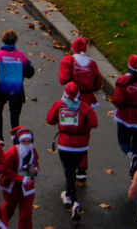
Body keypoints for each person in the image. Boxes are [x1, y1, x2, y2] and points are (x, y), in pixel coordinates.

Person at [47, 82, 98, 218]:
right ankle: (68, 195)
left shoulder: (59, 105)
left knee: (69, 172)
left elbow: (50, 120)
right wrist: (83, 126)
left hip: (65, 145)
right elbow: (94, 123)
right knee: (72, 171)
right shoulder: (84, 107)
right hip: (81, 147)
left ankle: (74, 202)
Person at [0, 30, 34, 134]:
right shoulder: (21, 56)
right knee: (15, 117)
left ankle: (0, 136)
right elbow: (30, 73)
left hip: (1, 89)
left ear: (2, 40)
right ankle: (15, 137)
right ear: (16, 40)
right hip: (17, 91)